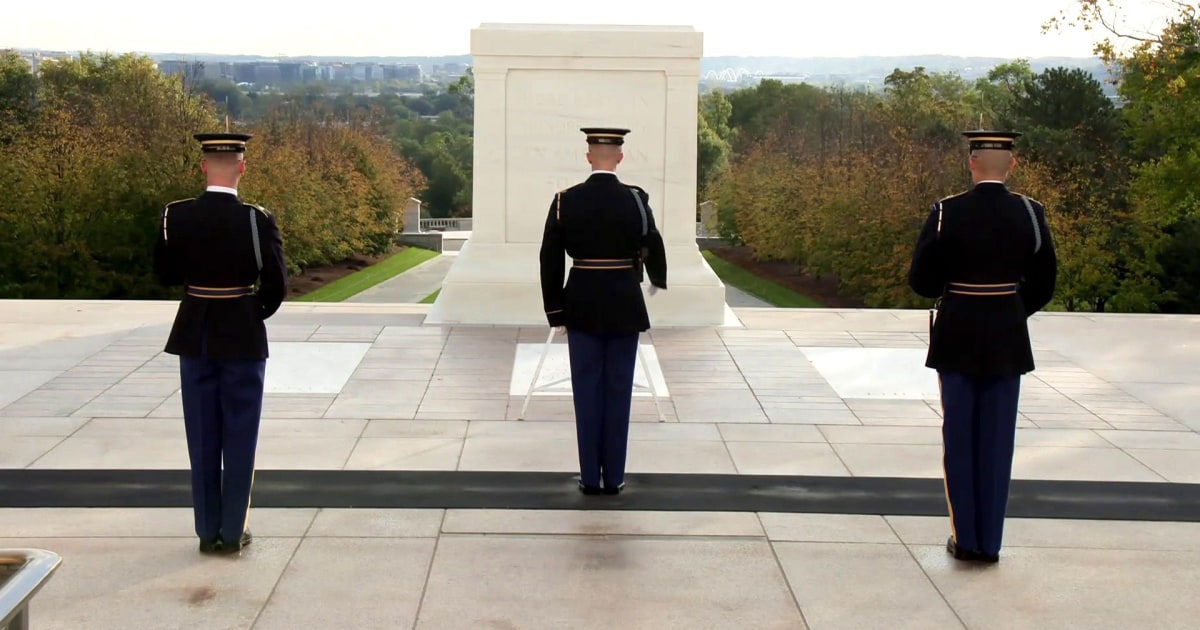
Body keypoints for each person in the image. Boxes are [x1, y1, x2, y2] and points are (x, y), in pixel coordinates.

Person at [907, 129, 1057, 563]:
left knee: (959, 437)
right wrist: (1010, 308)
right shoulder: (1030, 213)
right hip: (1007, 338)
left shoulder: (946, 213)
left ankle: (966, 538)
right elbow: (1045, 281)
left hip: (957, 333)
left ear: (972, 164)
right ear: (1012, 165)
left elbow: (922, 282)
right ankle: (990, 543)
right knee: (996, 439)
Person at [153, 131, 288, 554]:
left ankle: (206, 531)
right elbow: (277, 285)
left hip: (195, 331)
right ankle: (232, 532)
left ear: (203, 166)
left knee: (202, 433)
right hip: (242, 333)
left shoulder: (176, 216)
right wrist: (249, 311)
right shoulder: (256, 218)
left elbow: (164, 274)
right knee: (241, 433)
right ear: (242, 168)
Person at [538, 126, 668, 496]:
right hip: (625, 302)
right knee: (619, 390)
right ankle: (614, 477)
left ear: (589, 157)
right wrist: (656, 278)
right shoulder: (636, 199)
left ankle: (589, 479)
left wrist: (556, 311)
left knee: (587, 390)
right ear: (620, 158)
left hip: (581, 303)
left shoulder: (565, 201)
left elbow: (549, 259)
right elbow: (652, 241)